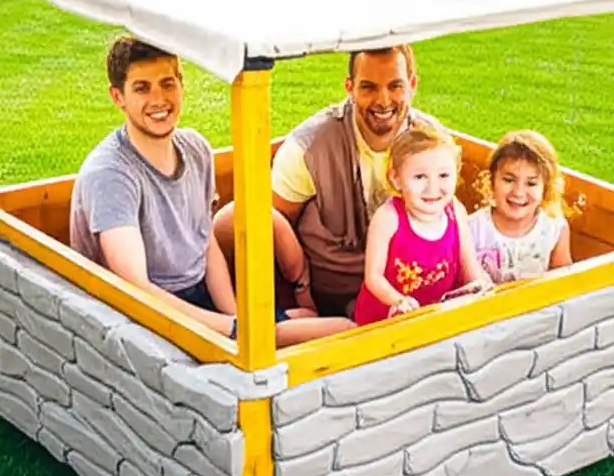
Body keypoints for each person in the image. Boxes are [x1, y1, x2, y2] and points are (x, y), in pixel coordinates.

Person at [69, 36, 350, 345]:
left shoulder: (195, 149)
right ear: (118, 97)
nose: (158, 99)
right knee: (342, 332)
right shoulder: (110, 174)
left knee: (317, 321)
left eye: (167, 84)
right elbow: (137, 289)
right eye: (142, 88)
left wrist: (235, 319)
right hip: (150, 323)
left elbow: (206, 245)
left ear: (181, 85)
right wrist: (234, 331)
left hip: (203, 302)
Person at [212, 44, 445, 318]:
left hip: (418, 296)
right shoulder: (309, 148)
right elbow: (273, 228)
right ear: (350, 87)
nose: (383, 101)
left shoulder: (433, 141)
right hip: (334, 302)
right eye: (368, 87)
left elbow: (453, 220)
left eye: (395, 86)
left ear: (412, 85)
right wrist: (300, 303)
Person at [352, 127, 490, 326]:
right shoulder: (389, 218)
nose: (432, 188)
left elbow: (468, 265)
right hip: (386, 320)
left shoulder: (455, 210)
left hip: (437, 317)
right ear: (396, 179)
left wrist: (480, 286)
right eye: (419, 177)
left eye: (443, 175)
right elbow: (374, 277)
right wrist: (399, 301)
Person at [468, 130, 572, 283]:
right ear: (492, 181)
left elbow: (563, 282)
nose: (518, 192)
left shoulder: (553, 228)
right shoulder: (472, 229)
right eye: (509, 180)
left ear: (546, 188)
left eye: (531, 183)